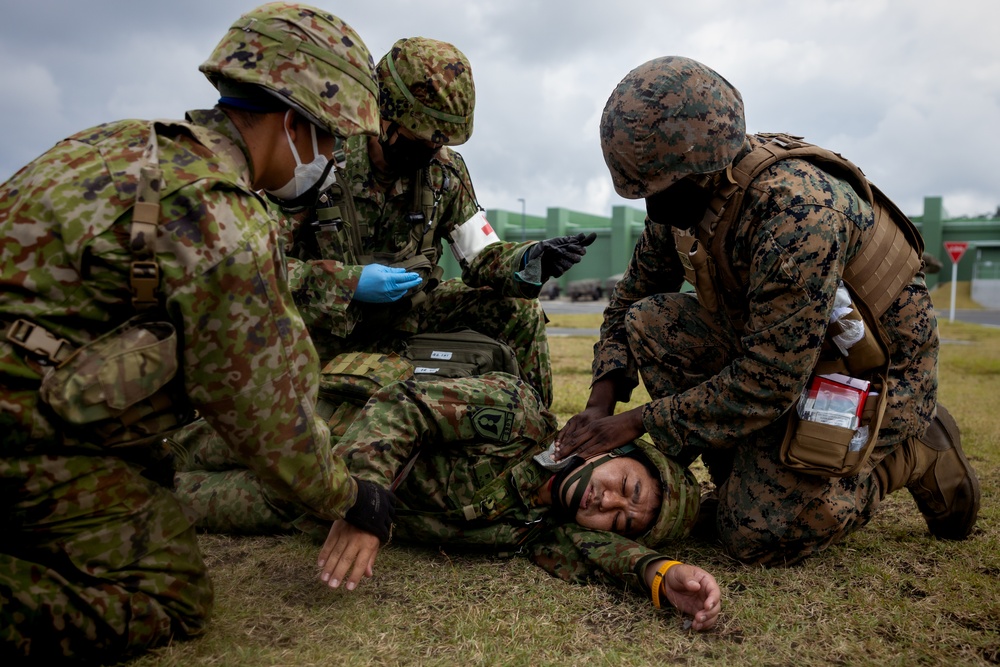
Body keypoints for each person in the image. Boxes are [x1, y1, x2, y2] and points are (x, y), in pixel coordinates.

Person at [0, 4, 396, 661]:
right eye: (329, 140)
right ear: (294, 123)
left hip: (36, 395)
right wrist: (353, 495)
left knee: (153, 494)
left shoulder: (117, 143)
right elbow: (267, 419)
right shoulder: (224, 219)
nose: (328, 160)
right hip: (23, 428)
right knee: (168, 593)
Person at [554, 56, 980, 566]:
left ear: (706, 165)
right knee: (650, 321)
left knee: (755, 534)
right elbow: (629, 301)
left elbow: (769, 380)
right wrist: (603, 400)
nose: (652, 207)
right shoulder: (691, 198)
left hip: (875, 375)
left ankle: (914, 453)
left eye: (659, 189)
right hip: (784, 357)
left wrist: (640, 421)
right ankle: (746, 473)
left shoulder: (797, 214)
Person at [174, 371, 720, 631]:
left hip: (287, 505)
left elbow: (600, 558)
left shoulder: (537, 530)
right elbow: (406, 403)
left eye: (622, 521)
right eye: (628, 487)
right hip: (304, 434)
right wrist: (366, 502)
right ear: (616, 449)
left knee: (163, 496)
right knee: (175, 444)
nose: (608, 504)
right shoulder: (517, 417)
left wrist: (659, 571)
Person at [281, 36, 596, 407]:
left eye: (438, 143)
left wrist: (528, 260)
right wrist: (349, 284)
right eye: (421, 139)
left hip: (409, 318)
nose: (431, 152)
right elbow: (260, 270)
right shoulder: (319, 160)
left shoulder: (444, 172)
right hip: (325, 328)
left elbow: (480, 254)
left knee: (520, 311)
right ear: (385, 115)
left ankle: (533, 432)